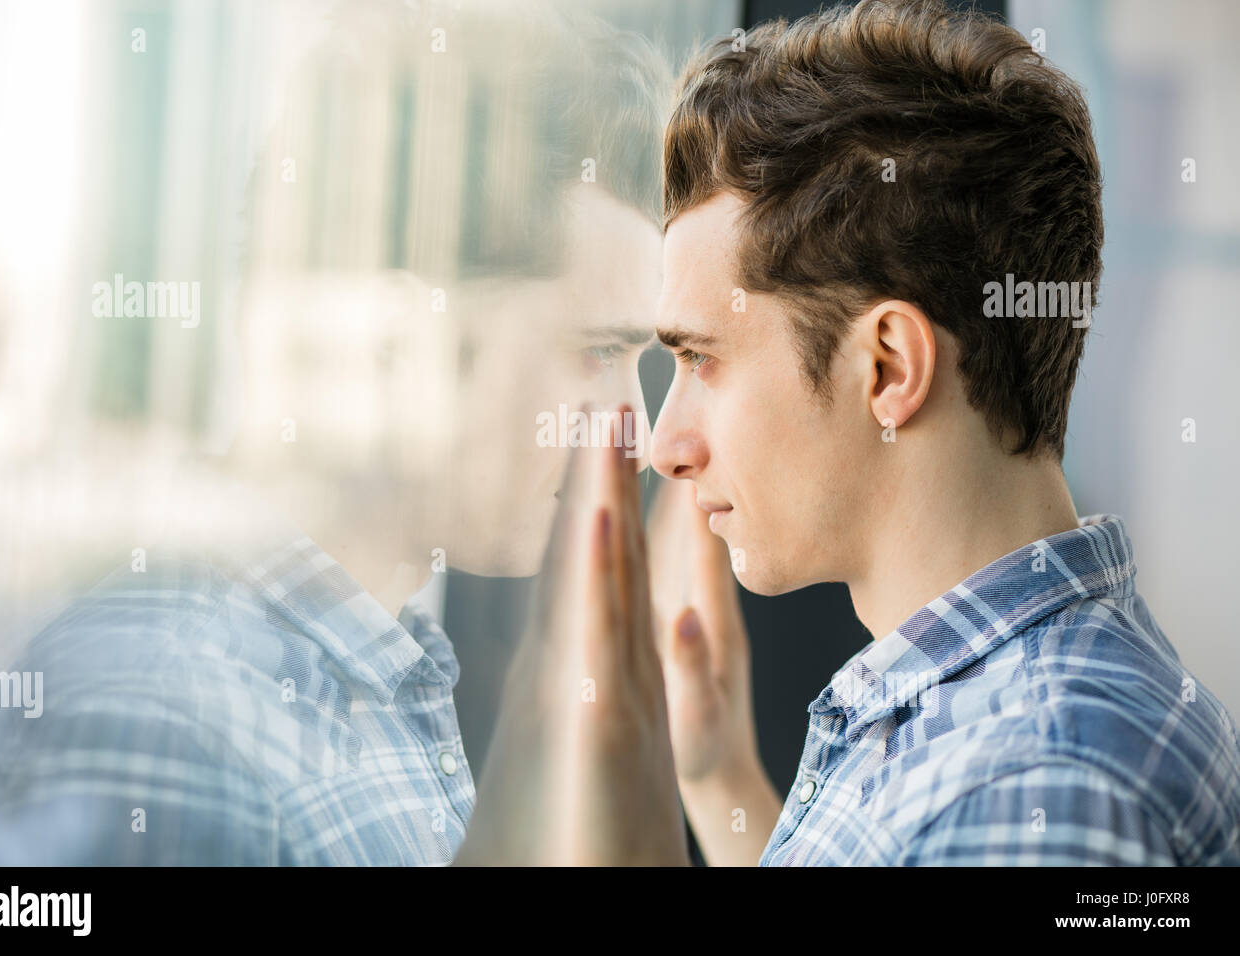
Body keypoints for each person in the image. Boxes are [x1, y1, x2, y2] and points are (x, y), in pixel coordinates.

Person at [461, 0, 1240, 866]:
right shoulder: (975, 706)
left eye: (703, 360)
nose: (664, 443)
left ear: (888, 369)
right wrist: (717, 777)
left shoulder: (1035, 785)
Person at [0, 1, 666, 865]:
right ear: (409, 335)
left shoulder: (387, 676)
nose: (643, 435)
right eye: (596, 352)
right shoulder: (160, 719)